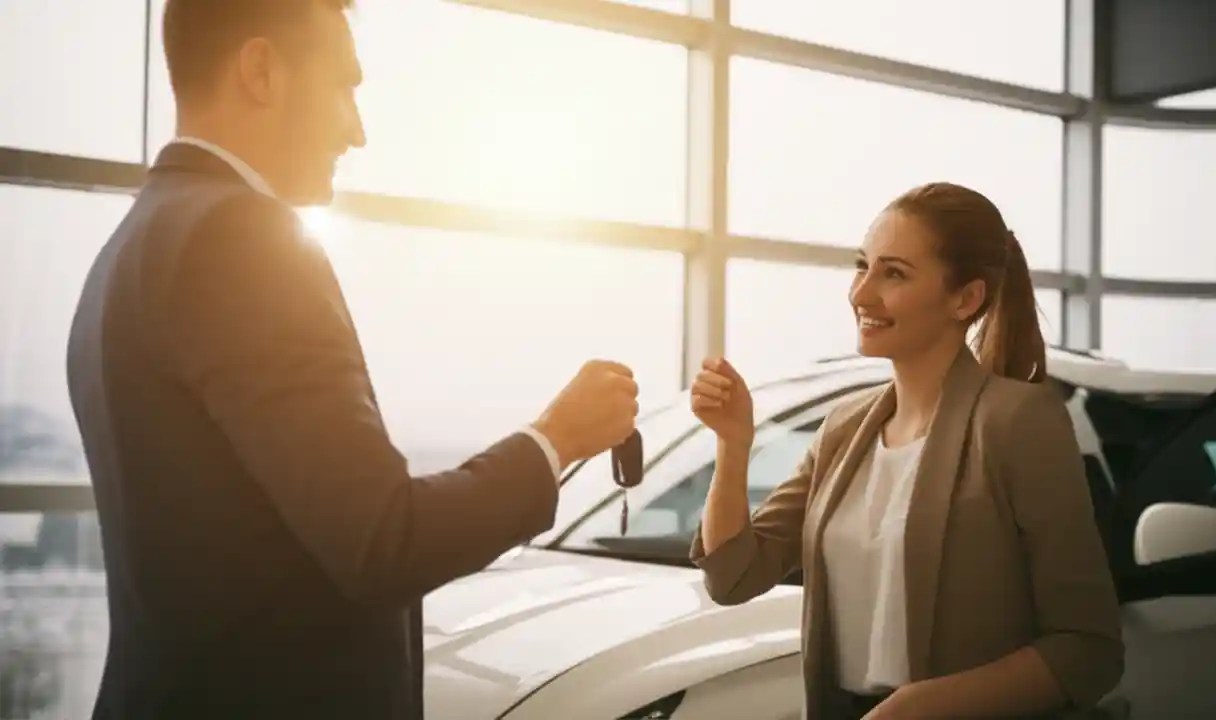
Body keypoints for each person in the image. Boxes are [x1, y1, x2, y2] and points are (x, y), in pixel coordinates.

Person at [65, 1, 639, 718]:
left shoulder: (129, 248)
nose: (357, 130)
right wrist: (558, 437)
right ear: (262, 70)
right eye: (344, 85)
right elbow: (384, 542)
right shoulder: (240, 239)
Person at [690, 183, 1123, 719]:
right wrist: (733, 445)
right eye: (861, 266)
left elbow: (1089, 649)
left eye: (893, 273)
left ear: (965, 298)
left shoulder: (1018, 422)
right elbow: (733, 575)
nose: (861, 294)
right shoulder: (843, 429)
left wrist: (924, 707)